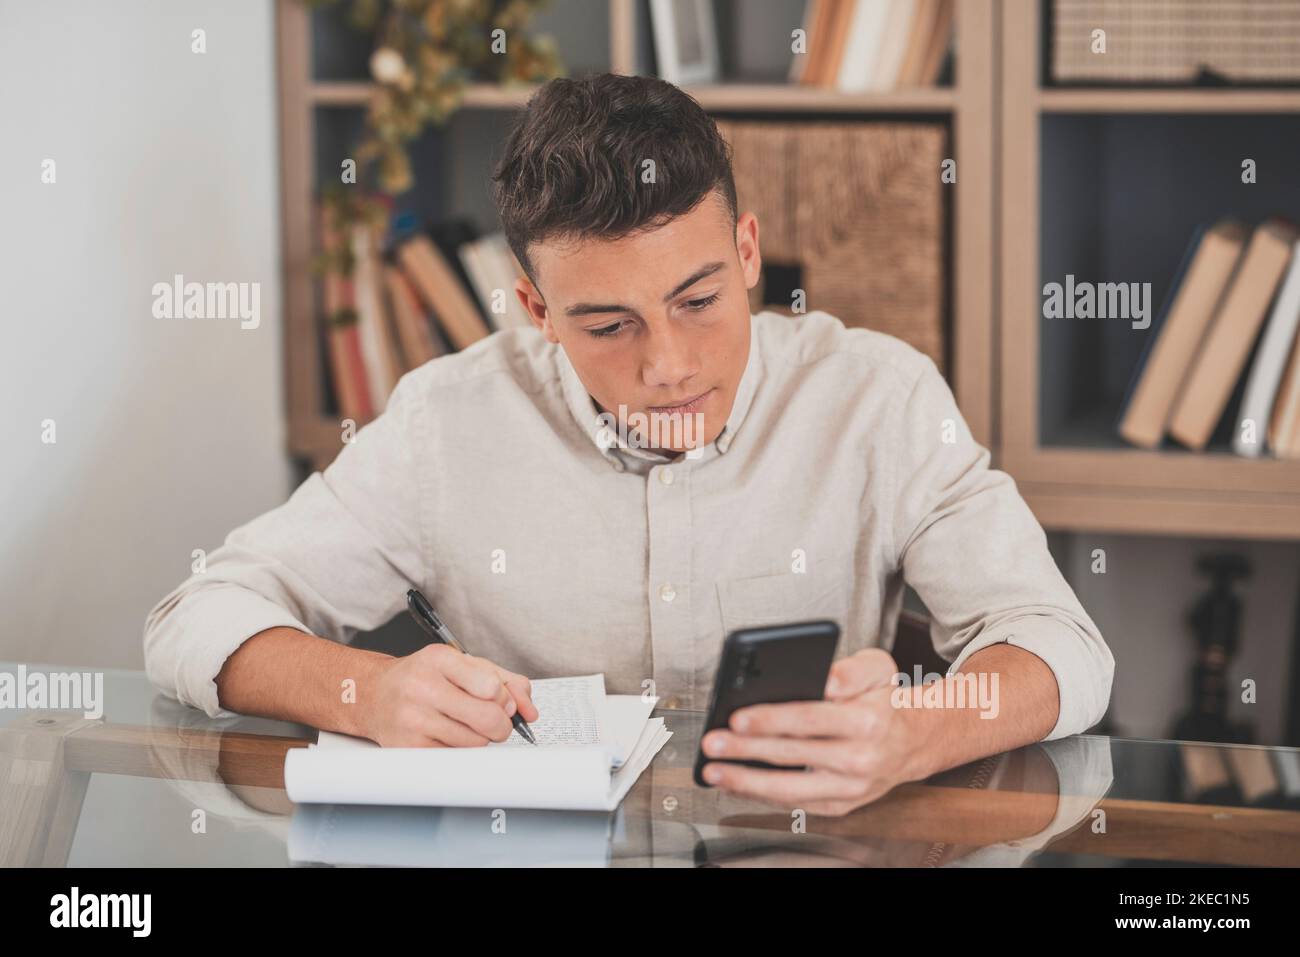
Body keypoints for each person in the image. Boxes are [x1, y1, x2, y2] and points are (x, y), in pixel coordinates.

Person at [144, 73, 1113, 816]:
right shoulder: (448, 420)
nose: (667, 365)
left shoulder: (877, 396)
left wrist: (917, 727)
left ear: (744, 252)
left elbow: (1062, 649)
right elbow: (195, 619)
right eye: (608, 325)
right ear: (535, 310)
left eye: (697, 301)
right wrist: (365, 689)